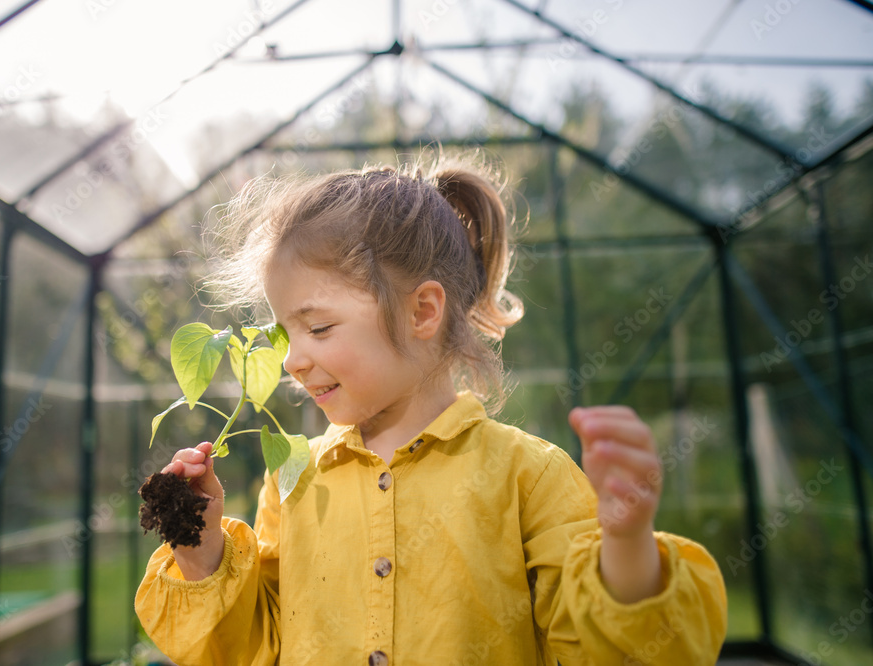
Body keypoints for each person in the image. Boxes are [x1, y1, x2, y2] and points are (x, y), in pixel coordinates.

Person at [135, 153, 727, 665]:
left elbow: (603, 651)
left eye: (318, 327)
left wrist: (626, 548)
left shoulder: (528, 476)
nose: (291, 361)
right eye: (288, 336)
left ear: (423, 311)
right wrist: (201, 546)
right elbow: (254, 649)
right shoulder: (293, 478)